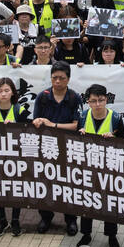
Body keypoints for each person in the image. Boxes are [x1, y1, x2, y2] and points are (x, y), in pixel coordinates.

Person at [31, 61, 81, 235]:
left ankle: (71, 219)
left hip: (68, 147)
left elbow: (76, 125)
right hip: (46, 147)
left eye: (62, 78)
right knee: (45, 182)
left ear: (68, 79)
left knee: (69, 183)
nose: (57, 81)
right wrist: (39, 122)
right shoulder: (43, 97)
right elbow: (35, 121)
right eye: (54, 78)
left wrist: (53, 125)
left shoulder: (74, 98)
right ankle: (46, 217)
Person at [75, 83, 124, 247]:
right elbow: (74, 142)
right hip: (88, 167)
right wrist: (79, 135)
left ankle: (111, 235)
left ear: (106, 100)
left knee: (109, 202)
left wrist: (114, 138)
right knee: (87, 201)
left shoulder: (115, 118)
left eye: (101, 100)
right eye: (93, 101)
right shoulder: (83, 116)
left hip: (108, 168)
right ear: (88, 102)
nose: (97, 104)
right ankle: (86, 234)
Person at [0, 76, 30, 237]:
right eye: (0, 91)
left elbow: (28, 133)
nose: (3, 94)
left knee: (16, 188)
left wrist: (16, 127)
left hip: (16, 158)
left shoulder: (20, 111)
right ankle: (2, 220)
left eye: (6, 90)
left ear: (12, 93)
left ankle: (15, 220)